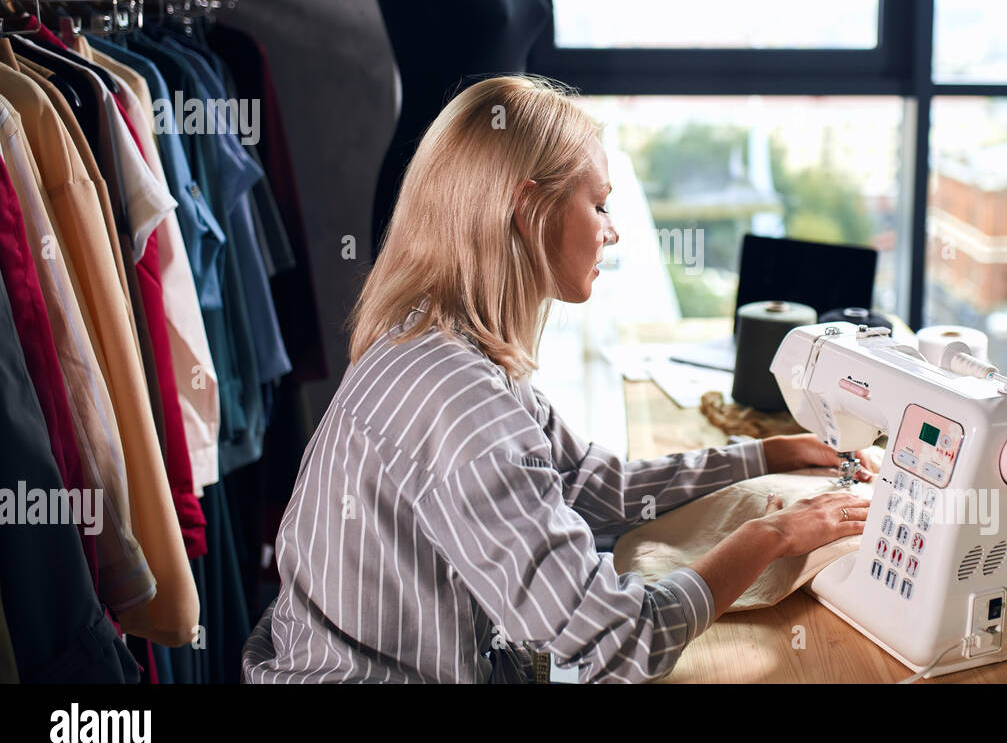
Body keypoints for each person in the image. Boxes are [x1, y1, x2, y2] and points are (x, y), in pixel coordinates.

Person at [240, 75, 872, 683]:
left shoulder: (433, 339)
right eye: (598, 204)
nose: (613, 230)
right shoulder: (461, 399)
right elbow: (623, 645)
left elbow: (600, 490)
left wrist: (768, 453)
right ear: (529, 209)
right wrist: (772, 533)